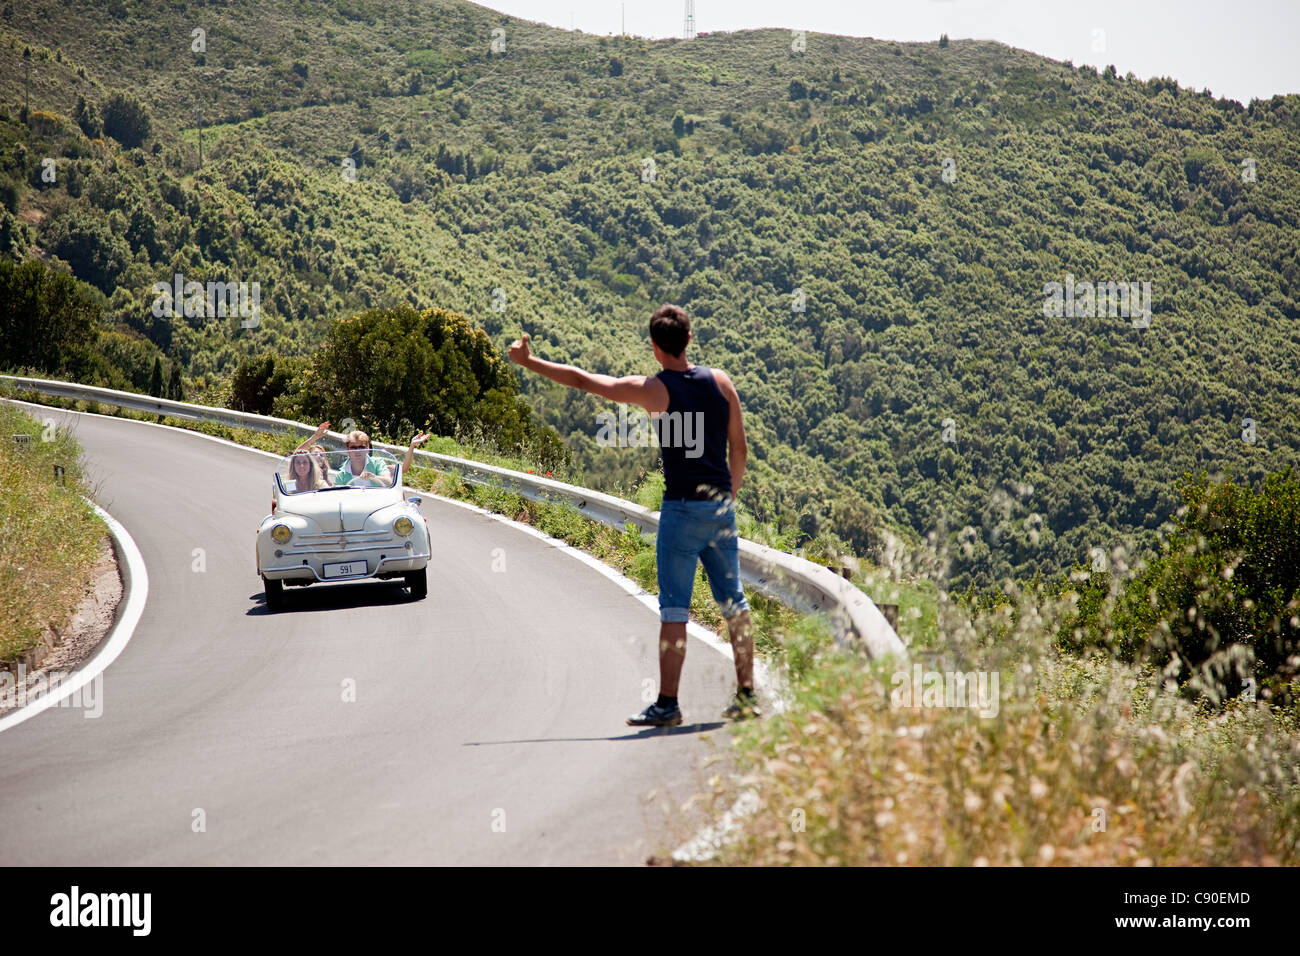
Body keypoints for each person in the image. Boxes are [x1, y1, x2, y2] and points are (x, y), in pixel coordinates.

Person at [508, 304, 758, 726]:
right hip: (720, 510)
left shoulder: (655, 390)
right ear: (689, 340)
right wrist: (727, 497)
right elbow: (740, 450)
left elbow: (584, 380)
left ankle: (667, 704)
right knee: (735, 604)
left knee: (675, 610)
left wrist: (529, 362)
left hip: (681, 510)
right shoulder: (722, 383)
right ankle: (748, 697)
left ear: (656, 348)